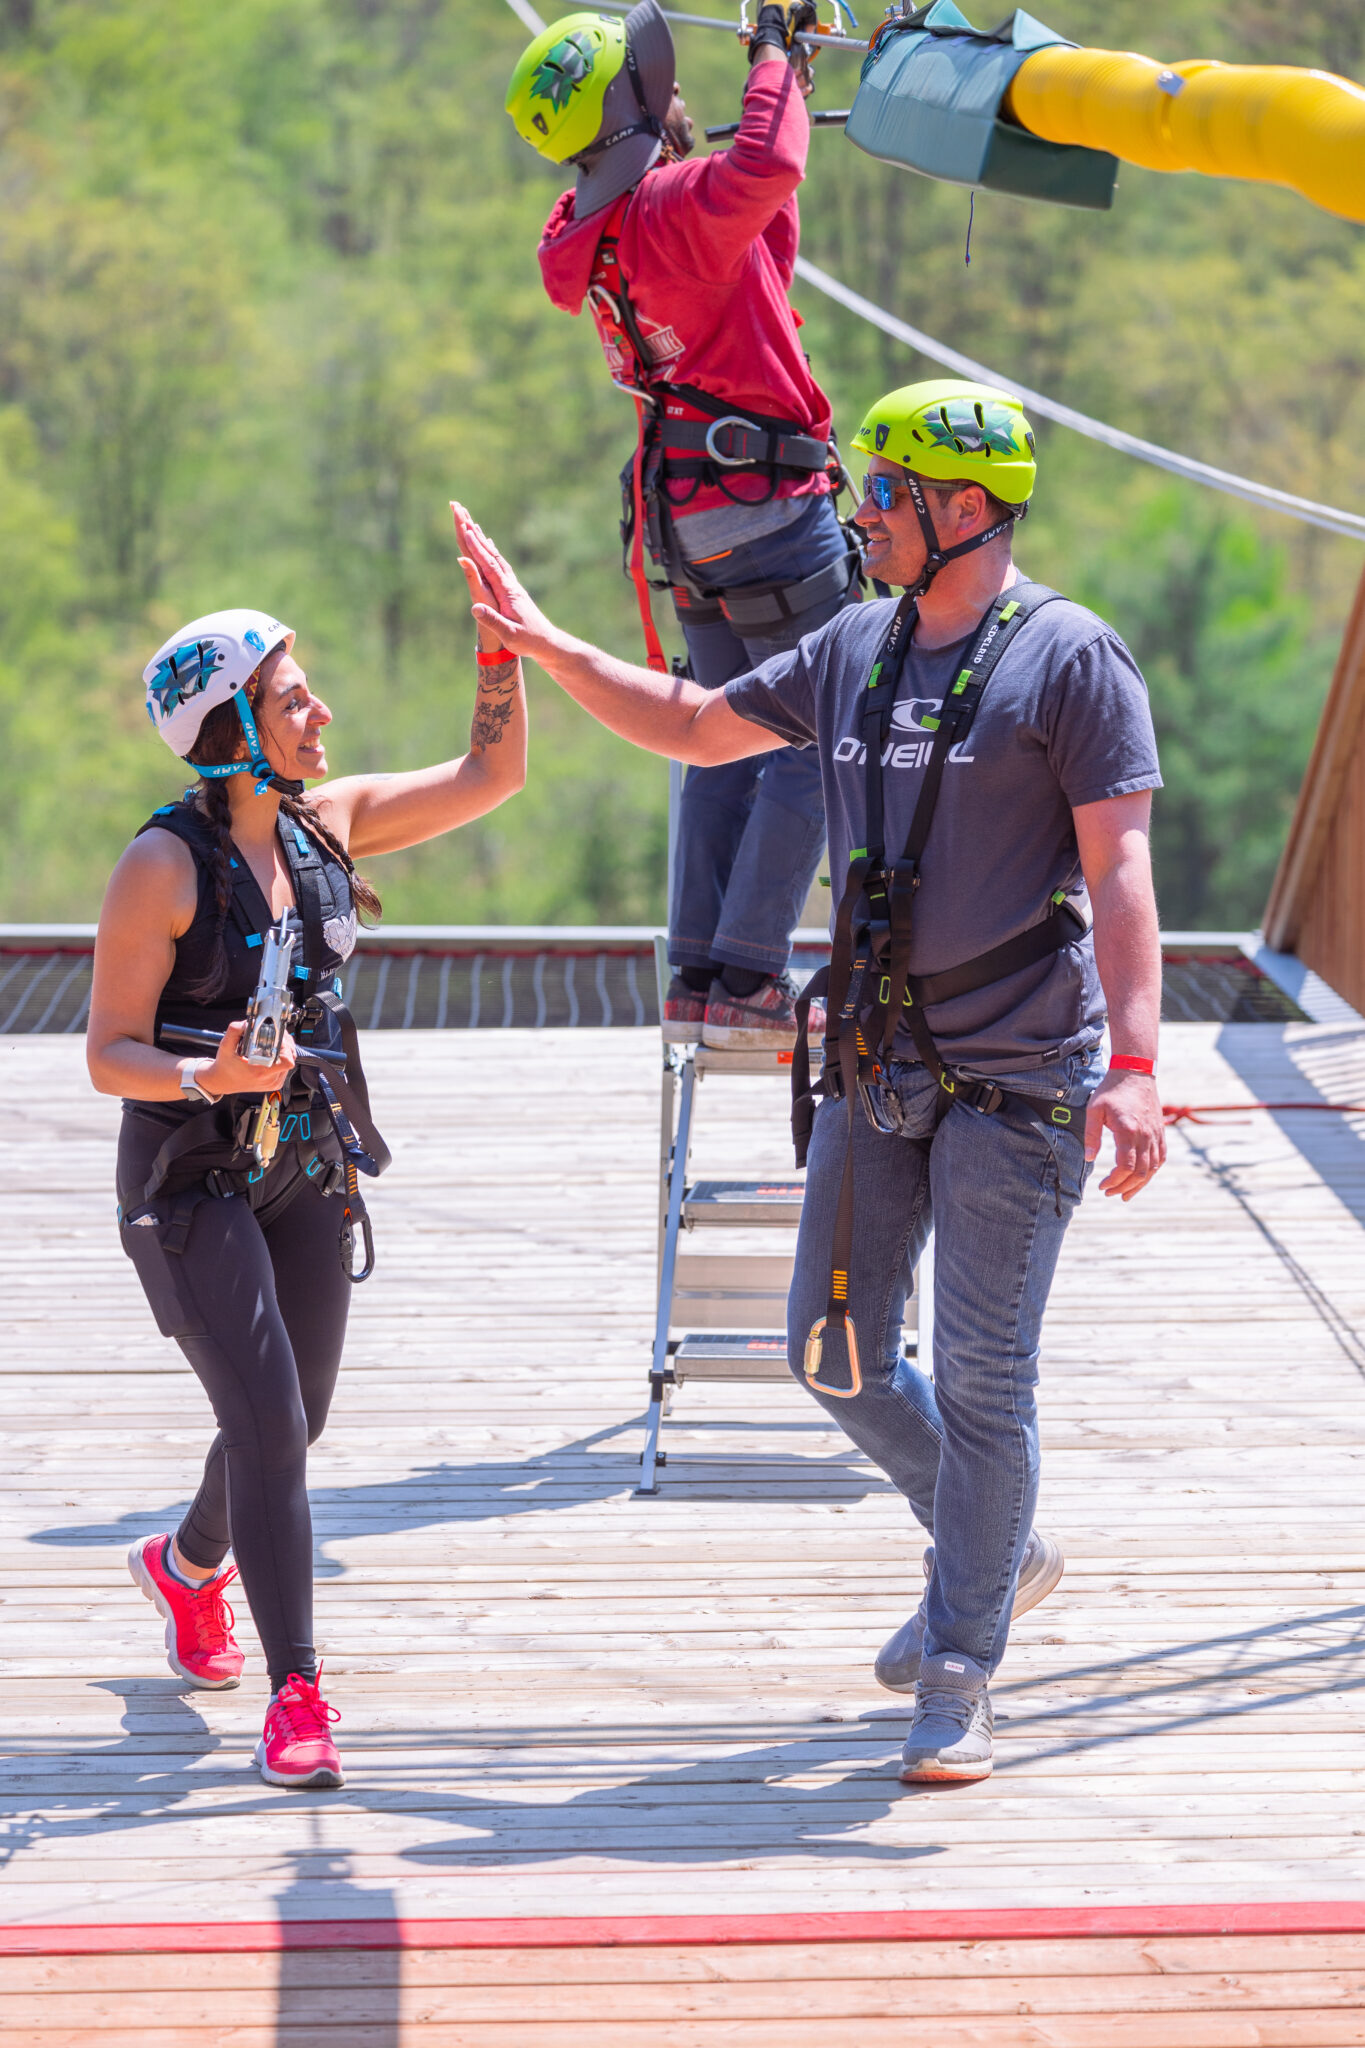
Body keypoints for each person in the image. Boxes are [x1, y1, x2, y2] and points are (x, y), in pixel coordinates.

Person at [457, 378, 1167, 1783]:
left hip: (1019, 1070)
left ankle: (959, 1664)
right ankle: (995, 1544)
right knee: (829, 1350)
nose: (859, 511)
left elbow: (1123, 871)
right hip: (875, 1060)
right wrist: (546, 646)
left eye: (885, 492)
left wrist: (1137, 1065)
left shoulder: (1071, 661)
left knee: (981, 1375)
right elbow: (689, 723)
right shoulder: (850, 645)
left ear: (964, 509)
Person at [87, 513, 525, 1789]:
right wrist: (200, 1072)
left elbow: (486, 780)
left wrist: (501, 658)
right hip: (188, 1177)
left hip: (305, 1164)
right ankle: (297, 1694)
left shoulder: (327, 825)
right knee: (270, 1420)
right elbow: (106, 1049)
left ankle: (185, 1563)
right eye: (292, 696)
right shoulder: (160, 869)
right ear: (233, 727)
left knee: (299, 1414)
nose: (320, 711)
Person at [506, 0, 862, 1048]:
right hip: (769, 518)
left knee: (720, 741)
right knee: (814, 733)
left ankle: (701, 971)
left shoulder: (589, 231)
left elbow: (762, 239)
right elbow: (765, 169)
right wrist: (770, 54)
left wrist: (778, 81)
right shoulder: (672, 210)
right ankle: (749, 971)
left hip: (691, 524)